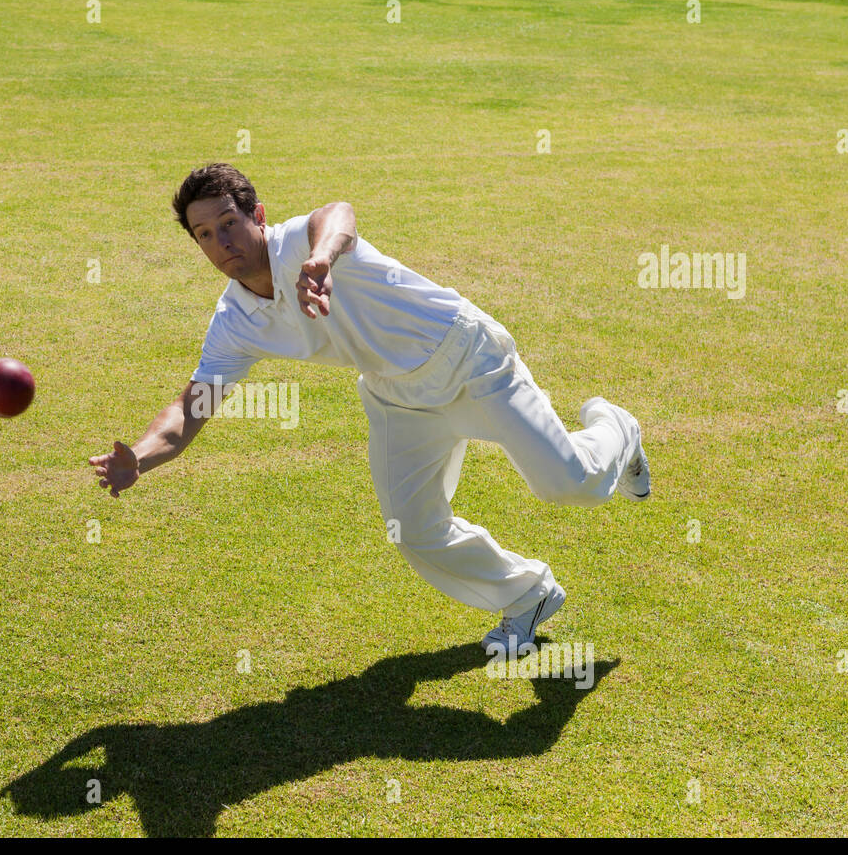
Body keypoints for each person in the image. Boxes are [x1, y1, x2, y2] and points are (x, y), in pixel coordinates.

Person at [87, 163, 650, 655]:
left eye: (229, 223)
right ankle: (527, 594)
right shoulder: (235, 321)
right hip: (396, 397)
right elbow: (194, 405)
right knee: (413, 529)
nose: (222, 242)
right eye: (204, 234)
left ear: (257, 215)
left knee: (567, 483)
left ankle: (616, 430)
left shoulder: (299, 244)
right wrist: (138, 457)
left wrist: (322, 258)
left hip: (468, 359)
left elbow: (337, 212)